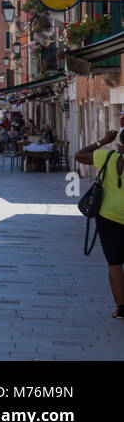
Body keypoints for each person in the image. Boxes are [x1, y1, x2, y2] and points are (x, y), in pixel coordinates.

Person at [74, 130, 124, 320]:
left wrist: (102, 141)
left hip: (108, 216)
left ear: (119, 144)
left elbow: (79, 155)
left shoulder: (106, 156)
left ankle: (121, 308)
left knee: (115, 262)